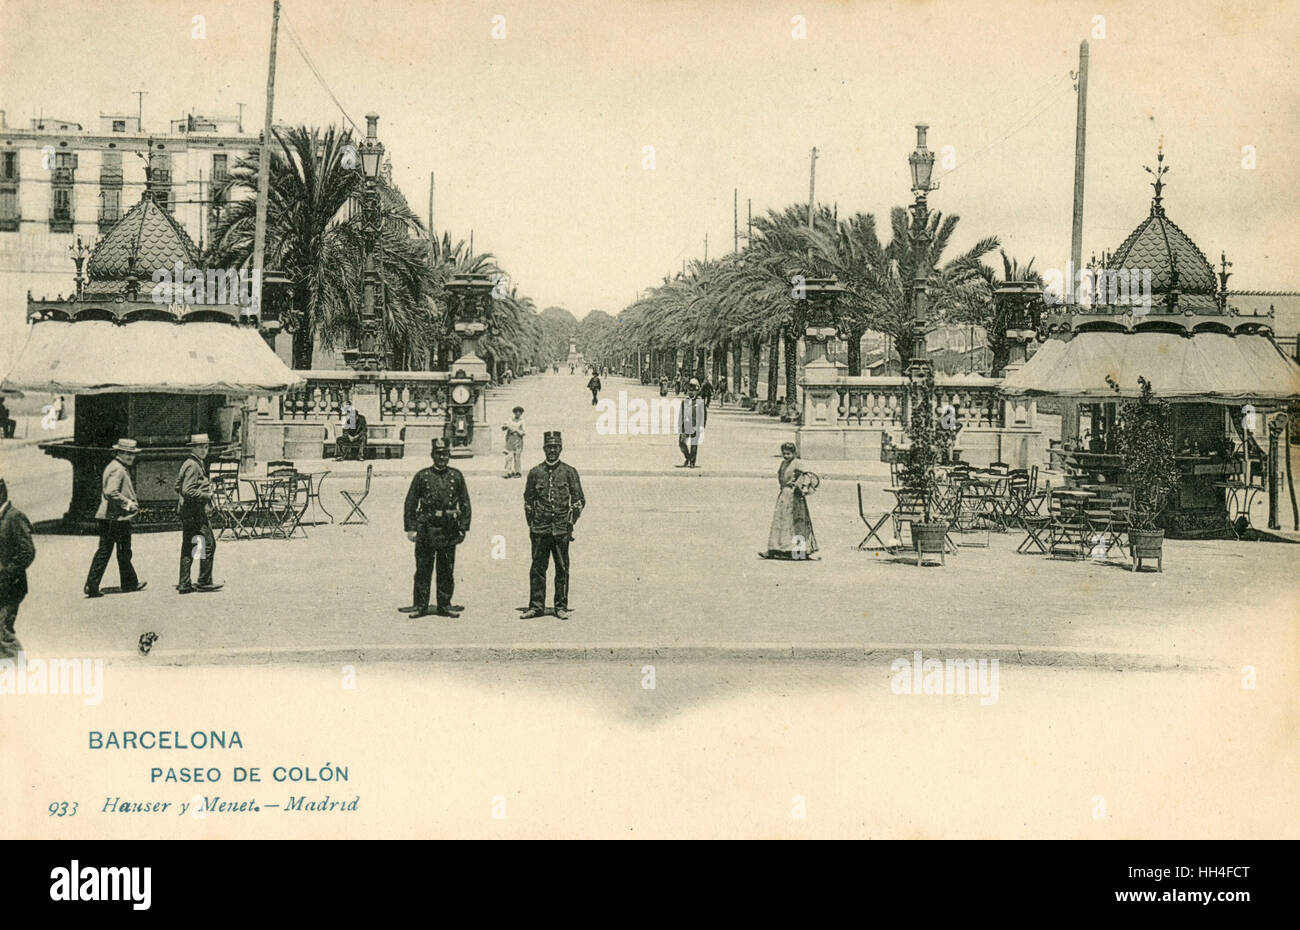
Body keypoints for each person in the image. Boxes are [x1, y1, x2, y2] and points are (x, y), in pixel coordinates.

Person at [402, 438, 471, 618]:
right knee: (423, 569)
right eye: (438, 454)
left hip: (448, 529)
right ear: (432, 455)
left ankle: (444, 605)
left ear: (449, 456)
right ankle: (420, 605)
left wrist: (463, 527)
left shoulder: (456, 476)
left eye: (445, 454)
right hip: (426, 528)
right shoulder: (422, 476)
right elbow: (410, 502)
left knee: (446, 569)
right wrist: (411, 528)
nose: (442, 458)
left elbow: (465, 503)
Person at [521, 431, 584, 620]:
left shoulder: (569, 472)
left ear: (561, 449)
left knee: (562, 568)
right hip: (540, 529)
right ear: (543, 449)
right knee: (538, 568)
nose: (552, 451)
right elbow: (528, 501)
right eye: (549, 447)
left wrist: (570, 521)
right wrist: (533, 525)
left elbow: (579, 500)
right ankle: (536, 606)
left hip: (560, 529)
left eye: (555, 447)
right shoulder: (535, 473)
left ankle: (561, 606)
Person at [84, 437, 145, 597]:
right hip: (116, 517)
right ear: (119, 453)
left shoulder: (115, 466)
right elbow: (111, 492)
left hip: (110, 516)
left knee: (113, 551)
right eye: (127, 454)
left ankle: (123, 583)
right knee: (119, 551)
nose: (131, 457)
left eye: (132, 454)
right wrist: (128, 503)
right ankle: (99, 585)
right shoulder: (118, 469)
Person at [176, 433, 221, 594]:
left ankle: (184, 583)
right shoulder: (193, 465)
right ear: (193, 448)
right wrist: (206, 495)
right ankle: (204, 581)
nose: (204, 450)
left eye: (206, 447)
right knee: (209, 544)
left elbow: (178, 486)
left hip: (189, 511)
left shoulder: (191, 463)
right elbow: (187, 490)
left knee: (188, 546)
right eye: (201, 447)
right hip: (196, 511)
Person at [761, 442, 820, 560]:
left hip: (795, 496)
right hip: (784, 495)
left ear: (794, 453)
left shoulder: (797, 463)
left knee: (796, 523)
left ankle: (799, 551)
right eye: (784, 454)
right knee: (781, 521)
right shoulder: (783, 463)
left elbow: (807, 476)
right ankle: (776, 549)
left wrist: (803, 486)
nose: (786, 456)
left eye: (788, 454)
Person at [0, 476, 36, 659]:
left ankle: (20, 676)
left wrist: (6, 573)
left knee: (2, 633)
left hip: (10, 587)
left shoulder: (14, 517)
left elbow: (27, 552)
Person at [677, 379, 707, 468]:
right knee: (681, 443)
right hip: (685, 425)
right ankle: (688, 457)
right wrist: (679, 426)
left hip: (695, 425)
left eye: (693, 391)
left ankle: (692, 462)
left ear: (697, 392)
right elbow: (680, 414)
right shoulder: (684, 402)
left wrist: (702, 426)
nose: (691, 393)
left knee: (694, 444)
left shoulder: (700, 402)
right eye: (689, 391)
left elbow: (704, 415)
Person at [502, 406, 526, 478]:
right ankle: (508, 472)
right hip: (510, 439)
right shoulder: (510, 420)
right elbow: (504, 427)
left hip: (518, 439)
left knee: (517, 456)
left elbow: (524, 432)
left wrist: (517, 431)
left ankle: (517, 471)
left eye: (519, 413)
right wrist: (505, 427)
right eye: (516, 412)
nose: (517, 414)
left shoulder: (522, 421)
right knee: (509, 456)